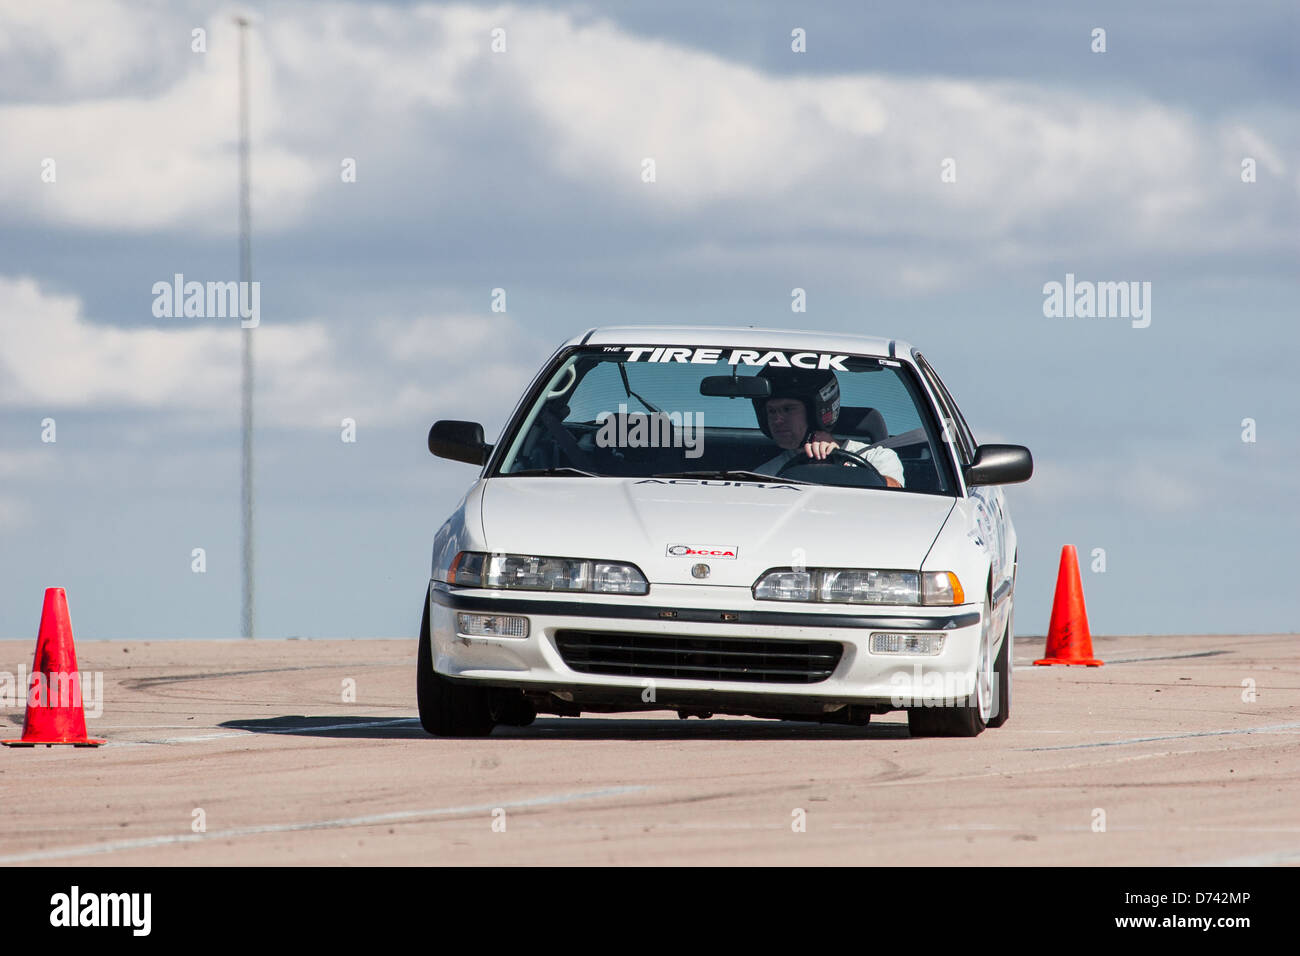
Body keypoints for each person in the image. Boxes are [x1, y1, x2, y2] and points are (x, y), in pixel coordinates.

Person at [750, 366, 904, 487]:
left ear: (814, 413)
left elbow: (894, 493)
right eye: (771, 411)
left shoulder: (877, 456)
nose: (777, 420)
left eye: (788, 409)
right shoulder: (767, 473)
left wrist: (834, 464)